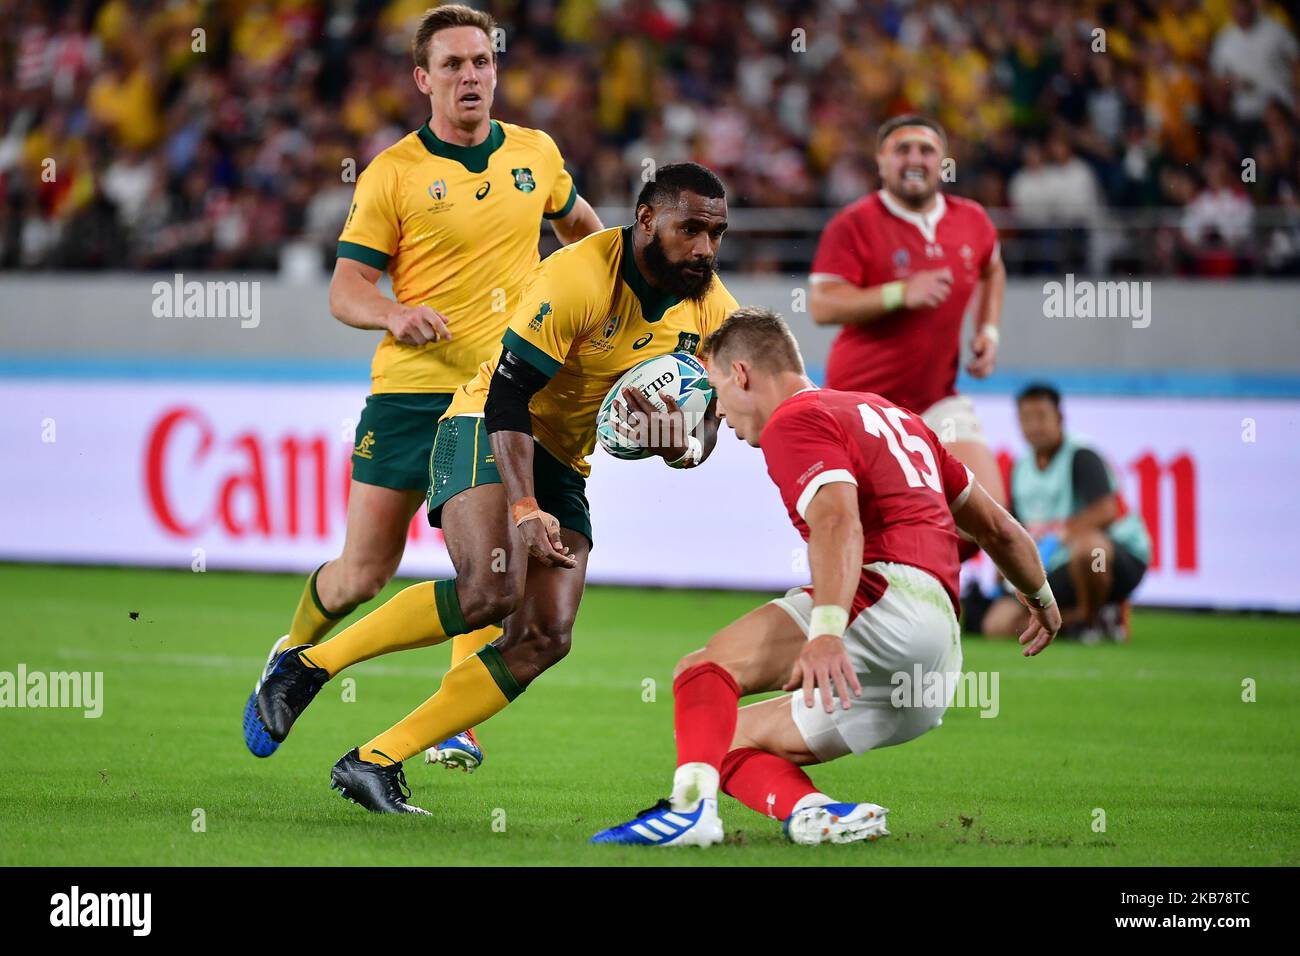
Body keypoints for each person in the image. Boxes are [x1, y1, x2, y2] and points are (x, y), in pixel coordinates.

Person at [249, 162, 740, 814]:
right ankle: (307, 665)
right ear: (647, 219)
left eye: (716, 233)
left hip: (564, 459)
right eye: (691, 230)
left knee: (545, 636)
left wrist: (679, 444)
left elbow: (708, 430)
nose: (705, 248)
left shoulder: (713, 310)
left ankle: (374, 761)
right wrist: (525, 505)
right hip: (486, 424)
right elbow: (509, 395)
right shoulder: (579, 276)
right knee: (490, 589)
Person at [241, 5, 603, 769]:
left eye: (482, 61)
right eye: (453, 64)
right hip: (411, 395)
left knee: (492, 564)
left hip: (497, 395)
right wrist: (394, 313)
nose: (470, 76)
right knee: (362, 573)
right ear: (422, 79)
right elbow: (346, 288)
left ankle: (454, 719)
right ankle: (293, 653)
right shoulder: (394, 172)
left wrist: (602, 302)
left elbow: (585, 235)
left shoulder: (535, 154)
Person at [591, 308, 1059, 847]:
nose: (716, 410)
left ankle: (690, 810)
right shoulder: (897, 417)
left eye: (716, 390)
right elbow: (998, 529)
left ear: (742, 374)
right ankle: (815, 814)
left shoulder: (795, 419)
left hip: (885, 602)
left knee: (702, 671)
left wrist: (828, 632)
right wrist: (1042, 599)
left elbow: (837, 521)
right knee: (722, 736)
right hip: (936, 659)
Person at [809, 114, 1007, 562]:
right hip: (862, 404)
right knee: (859, 531)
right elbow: (822, 304)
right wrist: (901, 293)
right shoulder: (854, 223)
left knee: (988, 519)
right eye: (902, 150)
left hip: (936, 399)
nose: (915, 159)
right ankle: (892, 589)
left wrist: (988, 331)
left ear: (942, 162)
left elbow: (993, 267)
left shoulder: (972, 220)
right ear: (881, 162)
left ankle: (920, 582)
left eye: (926, 150)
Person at [982, 384, 1151, 643]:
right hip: (1055, 564)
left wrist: (1061, 535)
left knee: (1090, 549)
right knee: (997, 625)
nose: (1034, 426)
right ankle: (1081, 621)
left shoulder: (1081, 455)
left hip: (1110, 559)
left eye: (1041, 416)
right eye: (1026, 418)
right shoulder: (1020, 467)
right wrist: (1006, 567)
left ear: (1059, 418)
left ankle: (1093, 618)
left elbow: (1106, 511)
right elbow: (1015, 526)